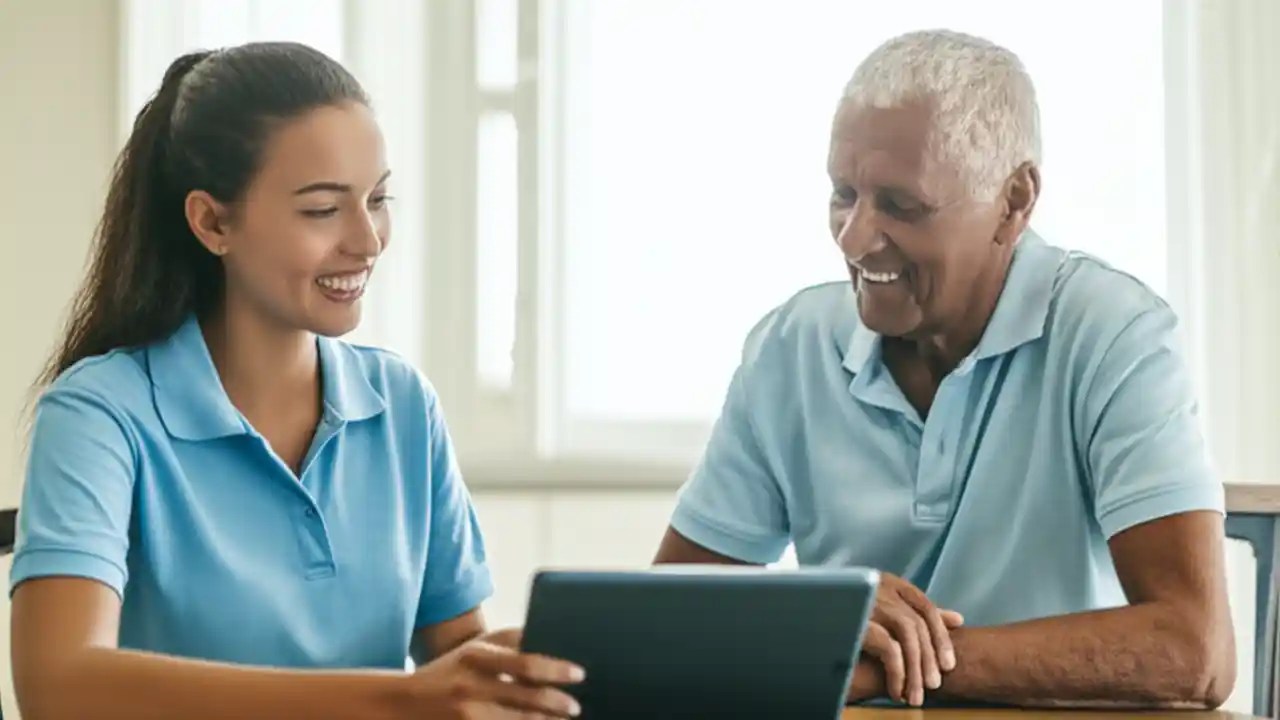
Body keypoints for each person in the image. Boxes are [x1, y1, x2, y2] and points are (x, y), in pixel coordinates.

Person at [654, 29, 1236, 709]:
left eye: (901, 206)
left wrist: (884, 665)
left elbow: (1196, 652)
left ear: (1014, 203)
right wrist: (820, 617)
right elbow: (664, 618)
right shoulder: (790, 347)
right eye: (844, 194)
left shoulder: (1112, 334)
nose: (854, 237)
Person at [11, 43, 582, 720]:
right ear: (212, 221)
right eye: (323, 210)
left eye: (378, 199)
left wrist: (522, 678)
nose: (367, 240)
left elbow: (453, 652)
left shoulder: (403, 407)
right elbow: (59, 685)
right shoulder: (100, 413)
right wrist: (399, 700)